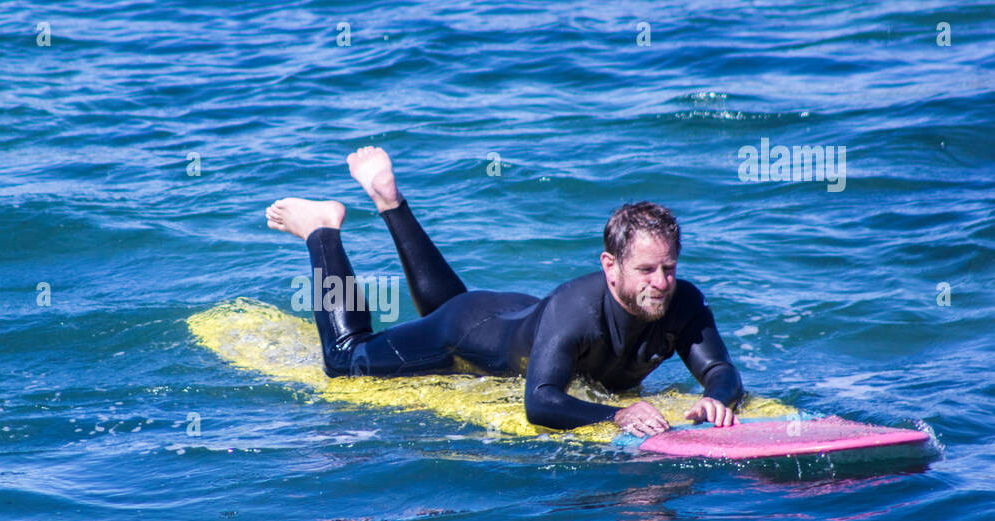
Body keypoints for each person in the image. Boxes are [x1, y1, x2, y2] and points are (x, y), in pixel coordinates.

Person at [264, 146, 743, 437]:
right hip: (469, 333)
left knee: (446, 307)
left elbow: (720, 369)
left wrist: (715, 398)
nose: (660, 282)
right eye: (646, 270)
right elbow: (540, 402)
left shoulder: (683, 301)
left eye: (668, 268)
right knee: (347, 359)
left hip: (507, 315)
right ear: (610, 266)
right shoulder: (577, 312)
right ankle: (322, 230)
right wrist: (618, 416)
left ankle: (389, 200)